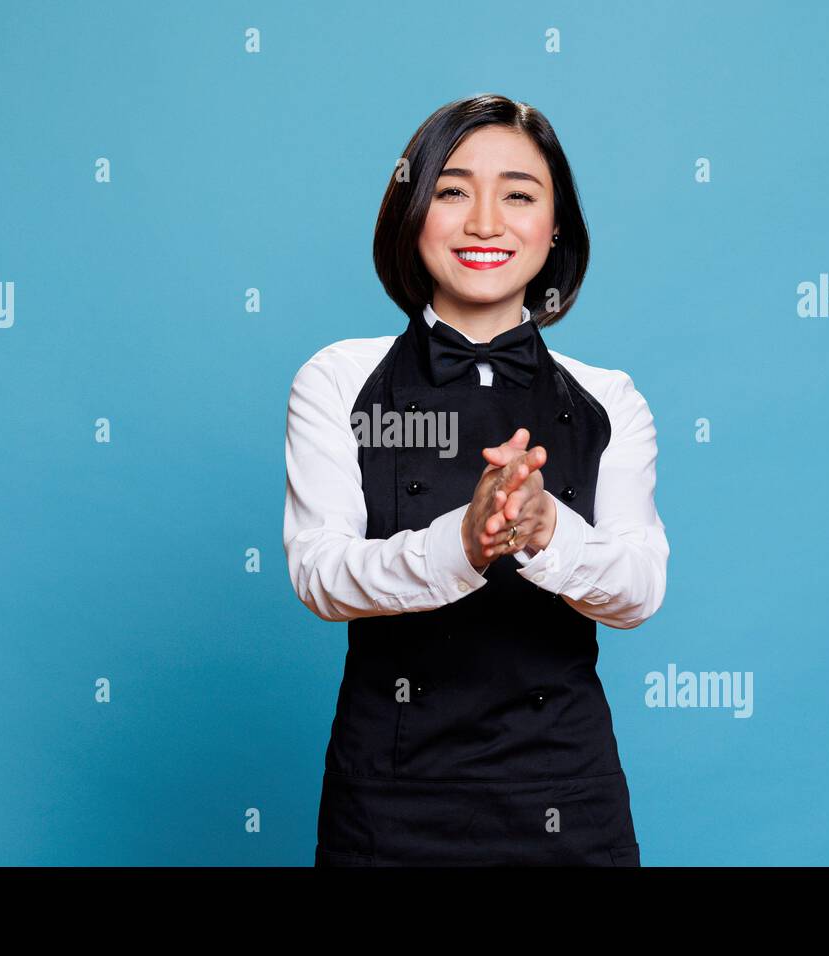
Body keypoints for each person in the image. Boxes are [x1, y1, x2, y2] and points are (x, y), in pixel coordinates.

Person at [283, 93, 669, 866]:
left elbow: (639, 590)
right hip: (390, 800)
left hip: (565, 789)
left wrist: (548, 529)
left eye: (519, 195)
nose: (485, 222)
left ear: (555, 225)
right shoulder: (337, 378)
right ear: (412, 209)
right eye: (453, 191)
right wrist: (460, 541)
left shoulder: (609, 398)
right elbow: (319, 574)